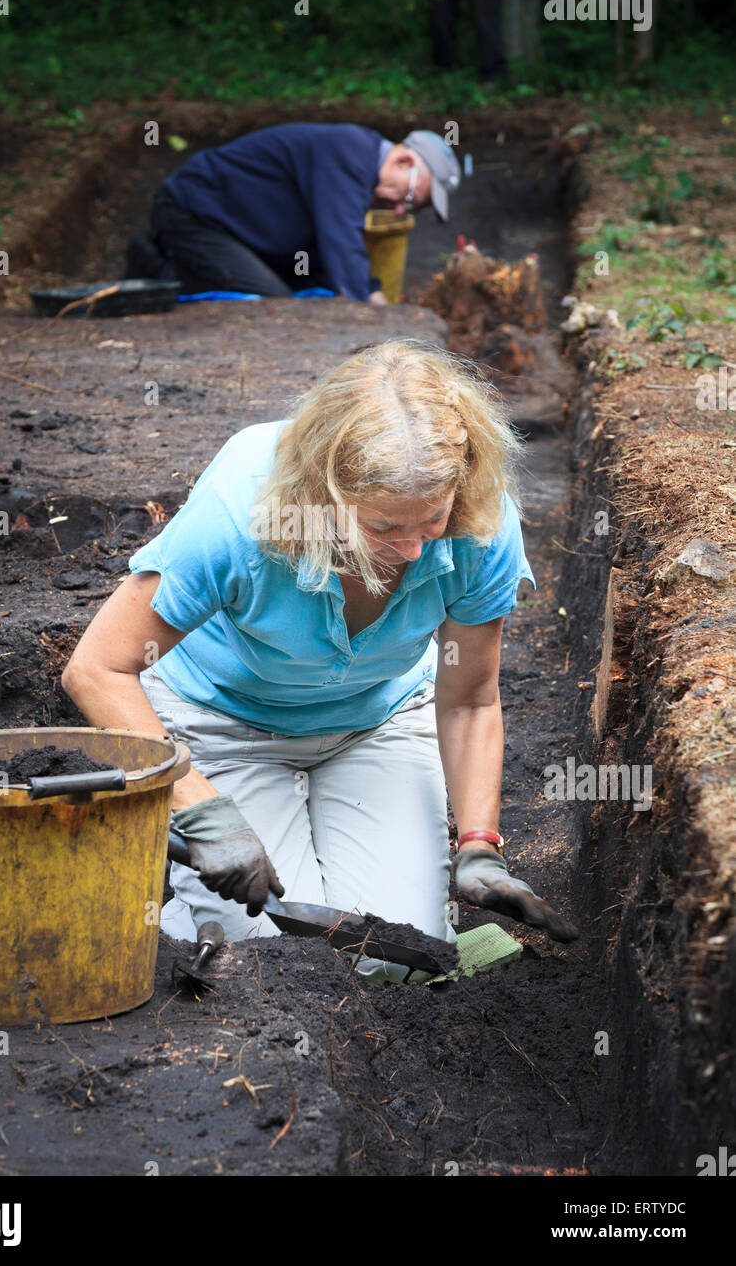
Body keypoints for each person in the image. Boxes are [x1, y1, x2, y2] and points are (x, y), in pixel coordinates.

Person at [61, 340, 578, 982]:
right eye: (386, 527)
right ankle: (174, 899)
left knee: (395, 958)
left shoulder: (481, 522)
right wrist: (201, 809)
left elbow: (470, 699)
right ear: (326, 493)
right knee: (275, 955)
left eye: (431, 521)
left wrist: (478, 846)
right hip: (224, 725)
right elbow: (98, 669)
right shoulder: (242, 511)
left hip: (374, 723)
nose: (414, 549)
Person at [126, 124, 460, 303]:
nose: (402, 209)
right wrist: (375, 309)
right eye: (412, 197)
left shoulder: (355, 161)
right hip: (194, 213)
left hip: (240, 233)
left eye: (413, 208)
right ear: (403, 162)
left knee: (313, 291)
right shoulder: (349, 151)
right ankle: (161, 270)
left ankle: (177, 266)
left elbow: (336, 255)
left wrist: (368, 290)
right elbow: (341, 241)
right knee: (275, 305)